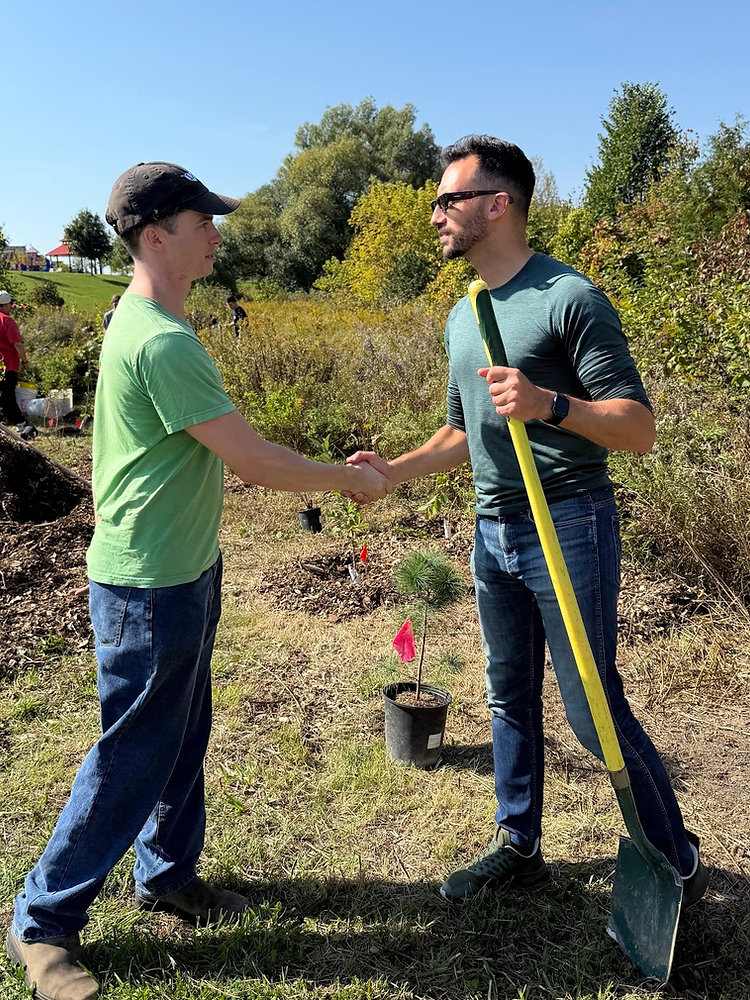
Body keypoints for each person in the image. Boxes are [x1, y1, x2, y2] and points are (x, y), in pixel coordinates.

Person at [5, 161, 391, 1000]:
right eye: (201, 221)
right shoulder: (161, 339)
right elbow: (253, 461)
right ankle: (42, 922)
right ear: (155, 236)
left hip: (182, 570)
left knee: (181, 737)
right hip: (149, 586)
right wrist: (349, 479)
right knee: (135, 755)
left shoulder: (142, 321)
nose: (217, 231)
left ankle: (168, 876)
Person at [349, 135, 707, 907]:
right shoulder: (463, 313)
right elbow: (461, 431)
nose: (437, 215)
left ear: (498, 204)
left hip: (569, 522)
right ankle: (519, 846)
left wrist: (551, 404)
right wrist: (394, 471)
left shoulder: (568, 298)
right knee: (508, 694)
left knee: (589, 704)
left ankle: (673, 859)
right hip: (492, 528)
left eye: (450, 199)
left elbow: (638, 427)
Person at [0, 290, 36, 440]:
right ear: (6, 304)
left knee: (4, 397)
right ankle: (22, 424)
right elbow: (18, 345)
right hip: (7, 365)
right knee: (8, 397)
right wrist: (25, 362)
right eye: (10, 304)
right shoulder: (7, 321)